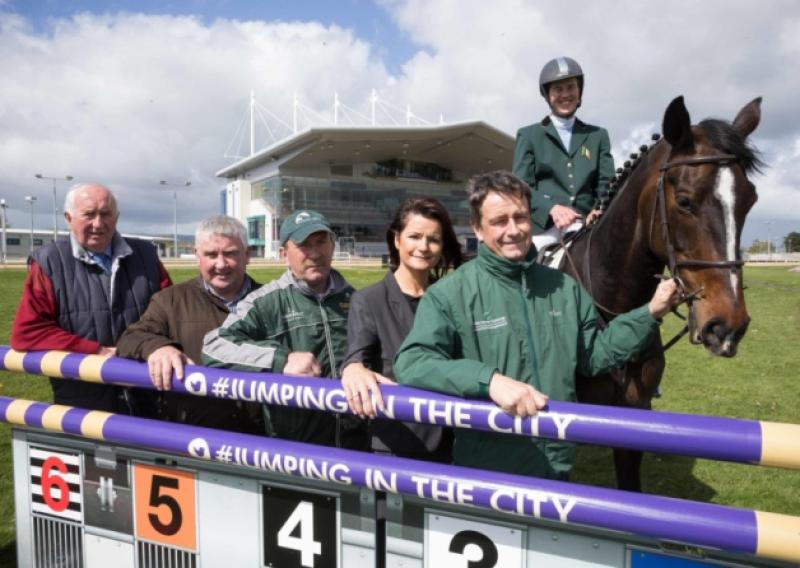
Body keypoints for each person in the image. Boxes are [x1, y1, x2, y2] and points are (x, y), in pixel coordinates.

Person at [394, 171, 679, 479]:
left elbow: (595, 355)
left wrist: (649, 312)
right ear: (477, 229)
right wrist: (489, 381)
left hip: (557, 468)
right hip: (487, 473)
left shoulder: (565, 289)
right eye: (500, 221)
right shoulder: (450, 294)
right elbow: (412, 362)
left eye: (521, 217)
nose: (514, 230)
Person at [202, 210, 366, 449]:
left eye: (321, 242)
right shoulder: (265, 301)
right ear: (284, 255)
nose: (315, 253)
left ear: (333, 246)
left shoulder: (357, 299)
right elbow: (214, 346)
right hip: (295, 451)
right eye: (303, 245)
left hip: (356, 446)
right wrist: (281, 359)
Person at [10, 183, 172, 413]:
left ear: (116, 218)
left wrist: (156, 347)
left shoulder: (146, 256)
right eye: (88, 215)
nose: (98, 223)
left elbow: (171, 315)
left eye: (105, 214)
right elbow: (27, 331)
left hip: (150, 397)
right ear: (69, 218)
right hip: (82, 404)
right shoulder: (49, 262)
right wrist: (96, 352)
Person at [341, 197, 463, 462]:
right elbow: (356, 355)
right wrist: (353, 368)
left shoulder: (454, 298)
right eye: (415, 236)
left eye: (433, 239)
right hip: (396, 445)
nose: (424, 246)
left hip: (453, 443)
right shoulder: (369, 300)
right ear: (397, 240)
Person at [116, 215, 261, 432]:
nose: (221, 264)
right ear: (197, 256)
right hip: (196, 437)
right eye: (211, 254)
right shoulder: (169, 300)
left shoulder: (270, 299)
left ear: (247, 255)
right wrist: (158, 347)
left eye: (230, 254)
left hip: (261, 440)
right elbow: (130, 338)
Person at [512, 56, 615, 251]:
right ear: (547, 94)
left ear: (579, 91)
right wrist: (551, 208)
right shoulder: (528, 135)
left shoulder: (598, 135)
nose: (565, 94)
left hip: (587, 224)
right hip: (544, 228)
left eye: (570, 87)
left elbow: (606, 183)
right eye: (558, 89)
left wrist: (599, 209)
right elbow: (521, 186)